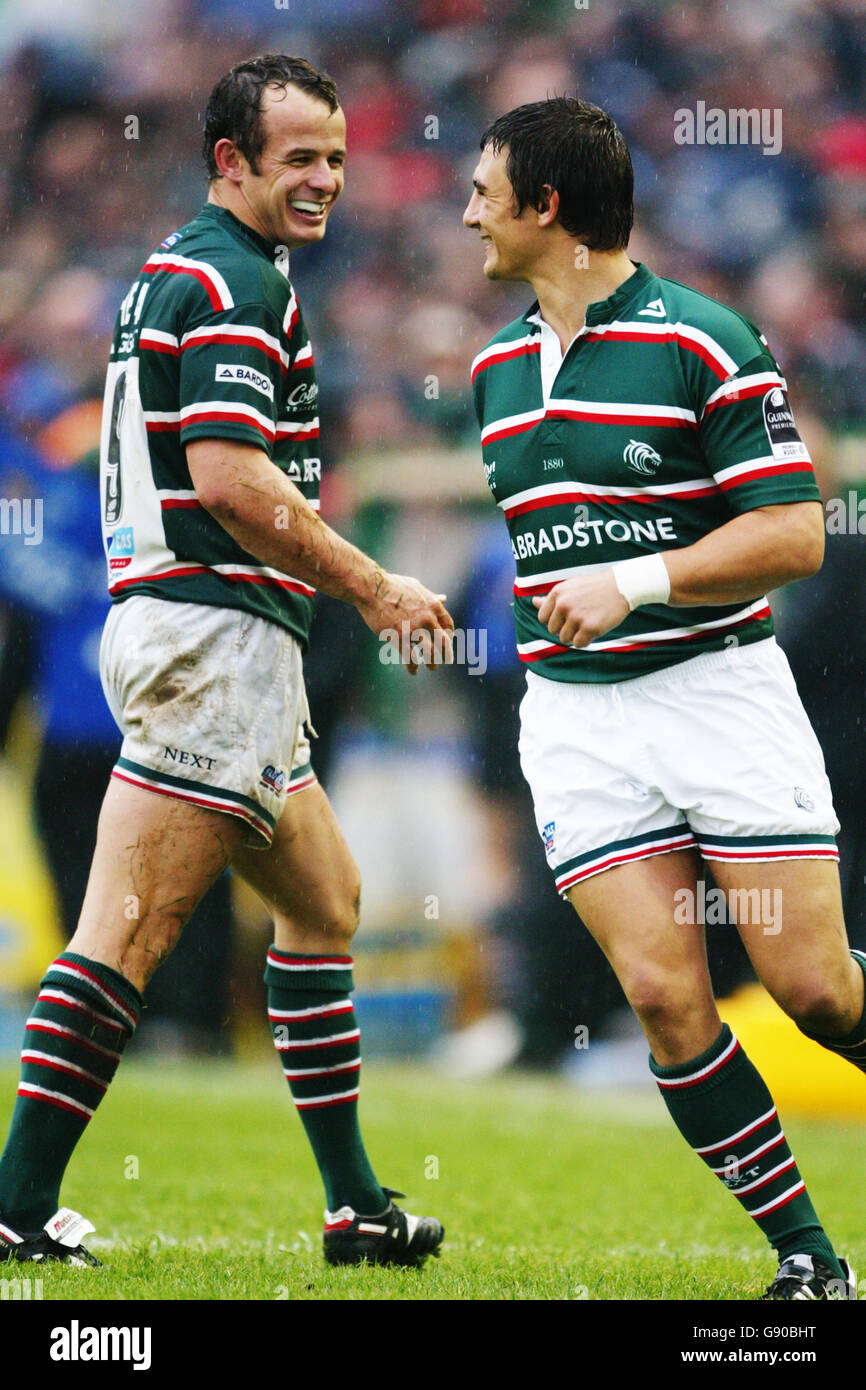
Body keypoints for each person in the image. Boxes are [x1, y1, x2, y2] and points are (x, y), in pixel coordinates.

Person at [0, 53, 452, 1271]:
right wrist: (373, 582)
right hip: (211, 639)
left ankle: (353, 1207)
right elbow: (231, 477)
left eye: (337, 159)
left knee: (325, 902)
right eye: (298, 158)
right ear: (231, 162)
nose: (324, 181)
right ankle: (14, 1203)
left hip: (202, 635)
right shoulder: (238, 276)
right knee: (125, 934)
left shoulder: (179, 269)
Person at [463, 95, 866, 1301]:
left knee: (810, 989)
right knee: (658, 991)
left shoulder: (702, 340)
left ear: (546, 206)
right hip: (576, 717)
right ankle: (809, 1261)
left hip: (714, 693)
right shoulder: (487, 368)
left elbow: (795, 532)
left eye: (485, 187)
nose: (466, 206)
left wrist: (635, 579)